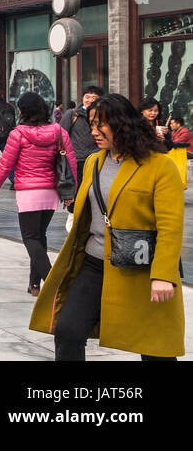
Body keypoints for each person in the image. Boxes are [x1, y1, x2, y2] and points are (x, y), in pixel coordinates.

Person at [30, 94, 185, 361]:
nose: (93, 132)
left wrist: (163, 275)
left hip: (140, 266)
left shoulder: (160, 166)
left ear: (121, 124)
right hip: (94, 262)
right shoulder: (94, 162)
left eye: (99, 124)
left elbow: (170, 226)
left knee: (154, 347)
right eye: (91, 125)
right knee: (68, 330)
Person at [0, 92, 77, 296]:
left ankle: (53, 281)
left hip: (28, 193)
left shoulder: (18, 134)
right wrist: (70, 192)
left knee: (30, 238)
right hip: (51, 192)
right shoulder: (58, 131)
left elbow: (5, 164)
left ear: (22, 111)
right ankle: (34, 284)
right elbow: (70, 163)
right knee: (39, 236)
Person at [60, 86, 102, 184]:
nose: (90, 100)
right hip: (76, 160)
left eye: (94, 98)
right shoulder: (72, 114)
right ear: (82, 98)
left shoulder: (103, 115)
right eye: (87, 97)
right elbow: (61, 136)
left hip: (96, 159)